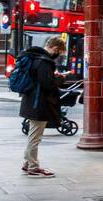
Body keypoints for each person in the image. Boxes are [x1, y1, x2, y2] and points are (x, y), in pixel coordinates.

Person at [19, 36, 70, 177]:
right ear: (55, 48)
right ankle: (33, 167)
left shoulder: (36, 57)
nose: (58, 54)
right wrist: (60, 78)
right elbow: (47, 84)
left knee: (33, 134)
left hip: (31, 102)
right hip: (38, 104)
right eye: (59, 51)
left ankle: (27, 163)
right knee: (35, 137)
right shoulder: (44, 61)